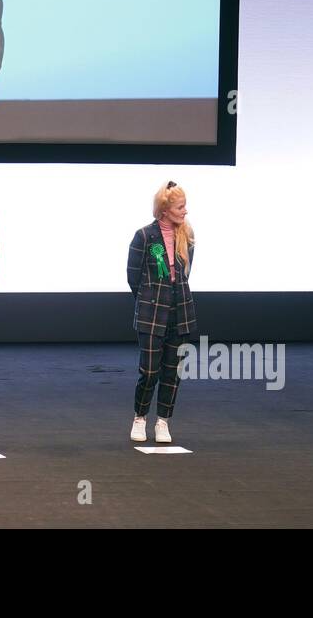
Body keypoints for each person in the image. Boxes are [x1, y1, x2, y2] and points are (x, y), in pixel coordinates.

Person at [126, 181, 197, 444]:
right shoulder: (144, 236)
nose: (185, 211)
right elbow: (133, 276)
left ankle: (163, 421)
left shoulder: (186, 236)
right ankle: (140, 417)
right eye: (181, 207)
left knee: (172, 371)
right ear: (165, 209)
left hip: (180, 313)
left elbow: (185, 274)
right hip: (151, 314)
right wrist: (148, 300)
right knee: (150, 370)